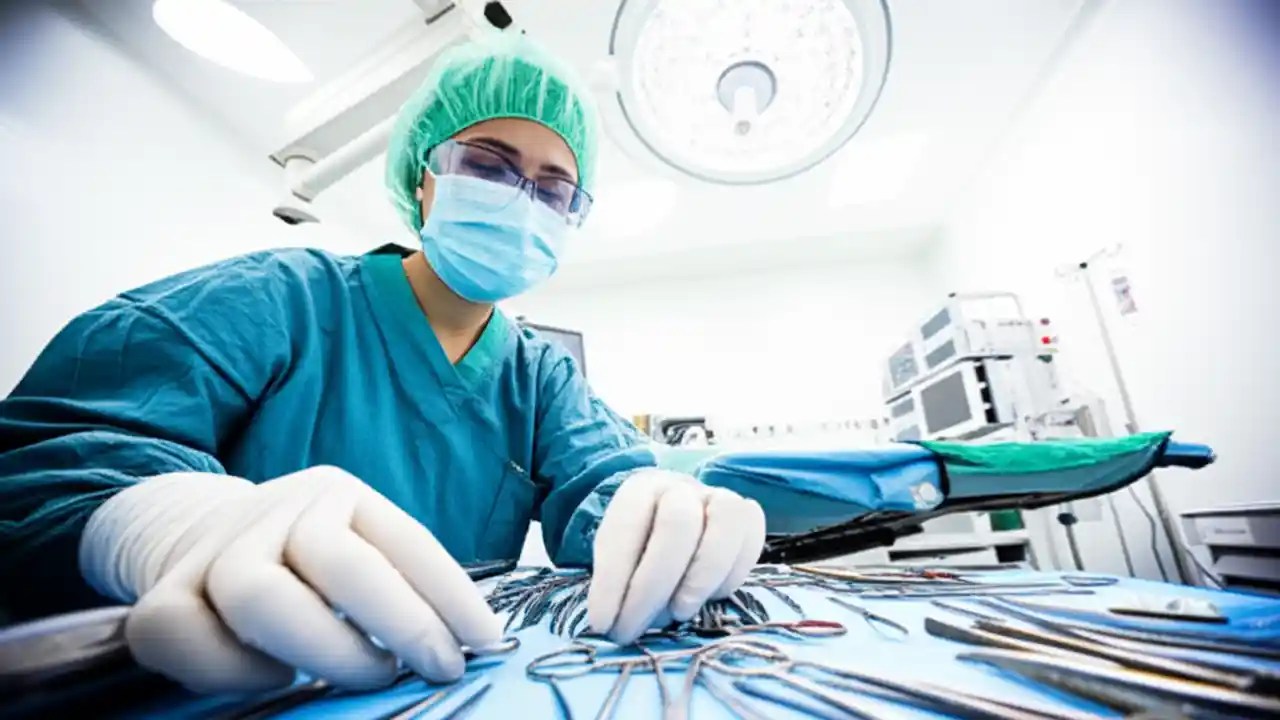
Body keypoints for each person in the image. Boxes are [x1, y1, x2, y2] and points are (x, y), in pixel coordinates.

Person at [0, 34, 765, 693]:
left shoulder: (538, 377)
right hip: (238, 680)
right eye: (490, 166)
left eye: (553, 187)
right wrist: (158, 526)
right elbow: (49, 450)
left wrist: (663, 511)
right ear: (422, 176)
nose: (521, 199)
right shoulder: (285, 301)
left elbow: (604, 485)